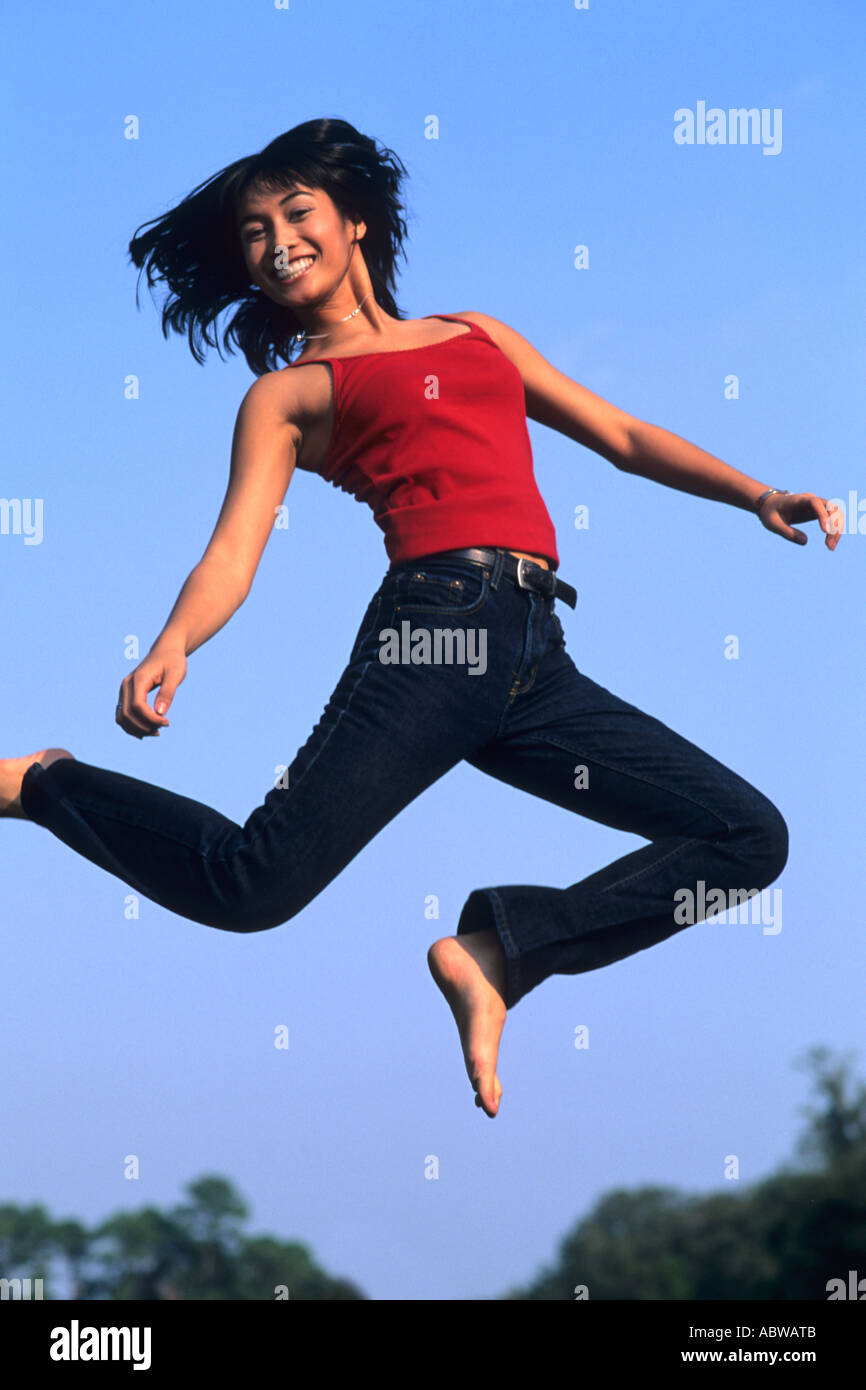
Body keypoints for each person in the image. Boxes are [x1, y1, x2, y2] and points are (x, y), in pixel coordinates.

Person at [2, 119, 841, 1119]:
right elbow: (234, 549)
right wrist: (175, 640)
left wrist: (754, 493)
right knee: (249, 885)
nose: (276, 242)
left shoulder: (475, 335)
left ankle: (499, 952)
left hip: (537, 658)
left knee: (745, 837)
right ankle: (39, 783)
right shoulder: (288, 392)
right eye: (254, 234)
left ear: (354, 221)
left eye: (296, 213)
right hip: (435, 631)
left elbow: (618, 434)